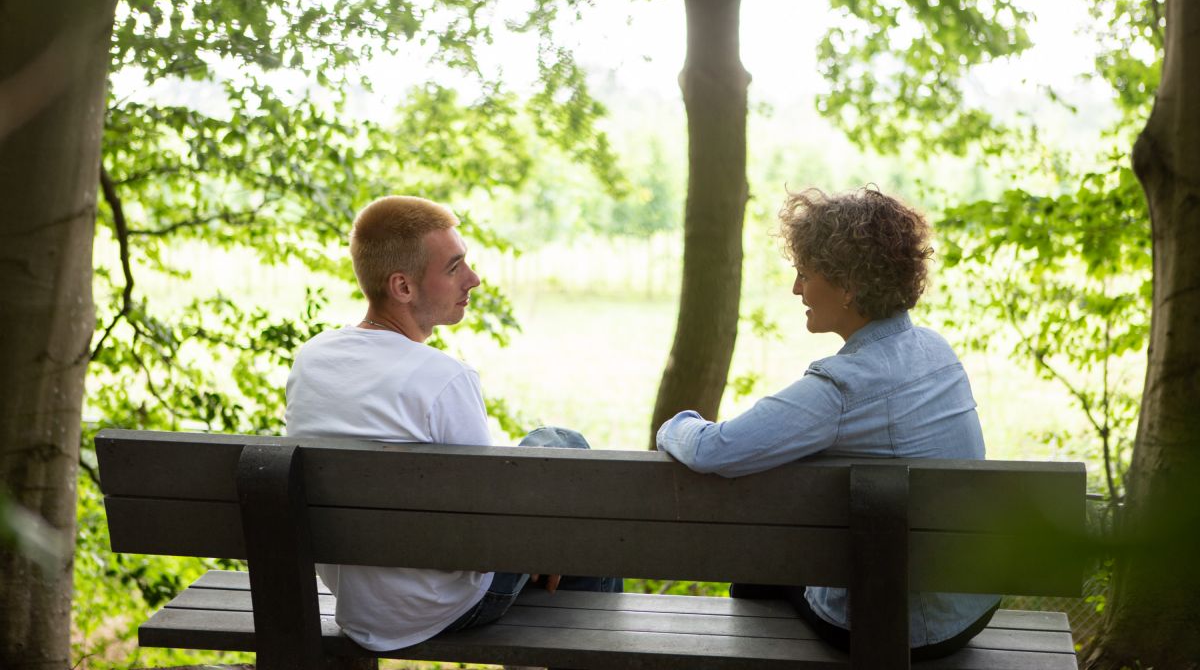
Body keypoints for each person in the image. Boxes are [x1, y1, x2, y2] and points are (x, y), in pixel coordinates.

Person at [655, 186, 1000, 660]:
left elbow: (711, 450)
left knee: (757, 568)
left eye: (804, 273)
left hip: (893, 626)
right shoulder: (937, 351)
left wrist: (673, 425)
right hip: (969, 608)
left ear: (847, 285)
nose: (796, 289)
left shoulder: (841, 388)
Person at [285, 195, 618, 653]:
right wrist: (545, 540)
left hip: (360, 608)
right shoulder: (444, 377)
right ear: (402, 286)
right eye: (454, 267)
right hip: (446, 606)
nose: (473, 279)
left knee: (550, 487)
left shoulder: (312, 359)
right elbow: (484, 534)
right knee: (562, 445)